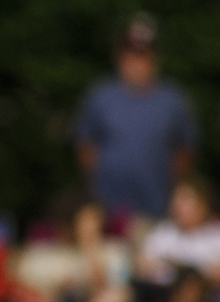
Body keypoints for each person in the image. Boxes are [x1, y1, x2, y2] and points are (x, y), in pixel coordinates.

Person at [75, 16, 196, 224]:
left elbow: (185, 151)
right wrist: (101, 181)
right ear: (119, 57)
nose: (137, 62)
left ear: (155, 58)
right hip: (109, 211)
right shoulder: (100, 96)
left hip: (158, 210)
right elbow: (86, 145)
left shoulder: (173, 100)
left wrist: (172, 189)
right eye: (131, 54)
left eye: (143, 55)